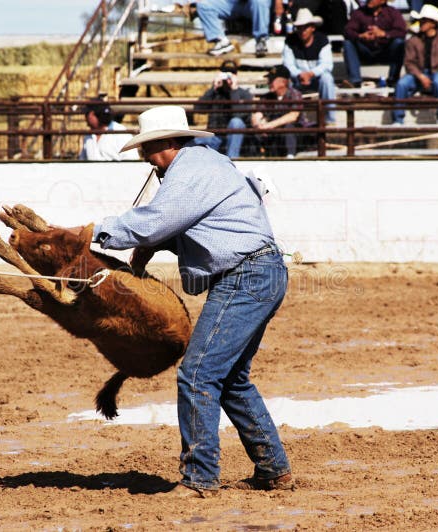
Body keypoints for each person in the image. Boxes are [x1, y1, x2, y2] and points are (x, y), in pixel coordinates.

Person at [89, 105, 292, 498]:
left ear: (165, 143)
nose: (145, 158)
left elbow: (158, 219)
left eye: (147, 149)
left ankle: (201, 478)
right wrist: (151, 243)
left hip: (245, 275)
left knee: (198, 373)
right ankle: (273, 470)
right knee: (229, 378)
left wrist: (94, 232)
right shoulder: (206, 165)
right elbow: (181, 224)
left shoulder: (191, 170)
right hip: (260, 272)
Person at [282, 8, 337, 124]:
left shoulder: (322, 40)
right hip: (297, 80)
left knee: (327, 79)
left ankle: (330, 119)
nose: (302, 31)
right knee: (286, 81)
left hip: (316, 79)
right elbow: (288, 65)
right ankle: (291, 118)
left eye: (305, 27)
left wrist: (311, 74)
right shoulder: (290, 41)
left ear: (313, 28)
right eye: (299, 28)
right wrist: (299, 75)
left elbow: (327, 65)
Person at [192, 60, 253, 159]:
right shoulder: (215, 92)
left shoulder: (243, 94)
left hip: (233, 139)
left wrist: (234, 91)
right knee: (192, 141)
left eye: (231, 73)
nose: (228, 77)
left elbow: (239, 116)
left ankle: (232, 161)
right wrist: (213, 89)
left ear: (236, 75)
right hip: (215, 137)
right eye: (225, 73)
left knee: (236, 122)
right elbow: (198, 109)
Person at [342, 0, 407, 88]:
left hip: (385, 51)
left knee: (399, 43)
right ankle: (355, 81)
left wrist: (384, 34)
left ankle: (393, 80)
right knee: (348, 43)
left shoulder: (392, 13)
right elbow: (348, 31)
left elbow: (401, 32)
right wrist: (361, 36)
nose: (369, 1)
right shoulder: (359, 13)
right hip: (365, 51)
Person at [252, 64, 308, 157]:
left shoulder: (294, 94)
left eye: (272, 80)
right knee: (254, 132)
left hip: (296, 137)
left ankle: (290, 156)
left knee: (289, 127)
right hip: (274, 136)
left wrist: (268, 126)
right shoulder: (267, 97)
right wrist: (258, 124)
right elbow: (257, 114)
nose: (269, 82)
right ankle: (255, 158)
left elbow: (293, 116)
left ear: (283, 82)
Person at [196, 0, 270, 56]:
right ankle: (222, 41)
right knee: (203, 5)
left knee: (260, 1)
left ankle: (261, 40)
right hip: (233, 3)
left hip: (254, 4)